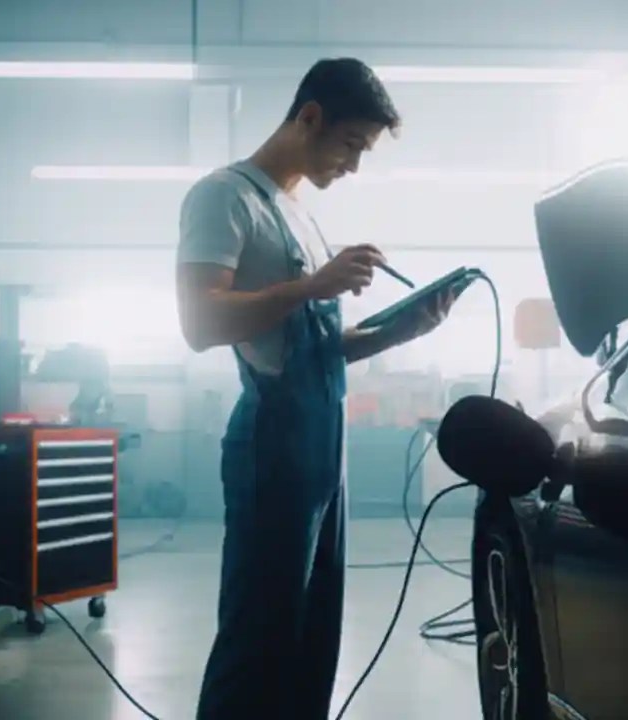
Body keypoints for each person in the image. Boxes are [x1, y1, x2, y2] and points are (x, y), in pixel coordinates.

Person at [175, 57, 461, 719]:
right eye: (352, 144)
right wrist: (312, 284)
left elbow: (315, 343)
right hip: (271, 445)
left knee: (311, 635)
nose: (354, 165)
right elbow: (199, 323)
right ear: (310, 117)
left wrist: (400, 331)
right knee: (259, 635)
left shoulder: (300, 215)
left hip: (322, 449)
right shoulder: (223, 197)